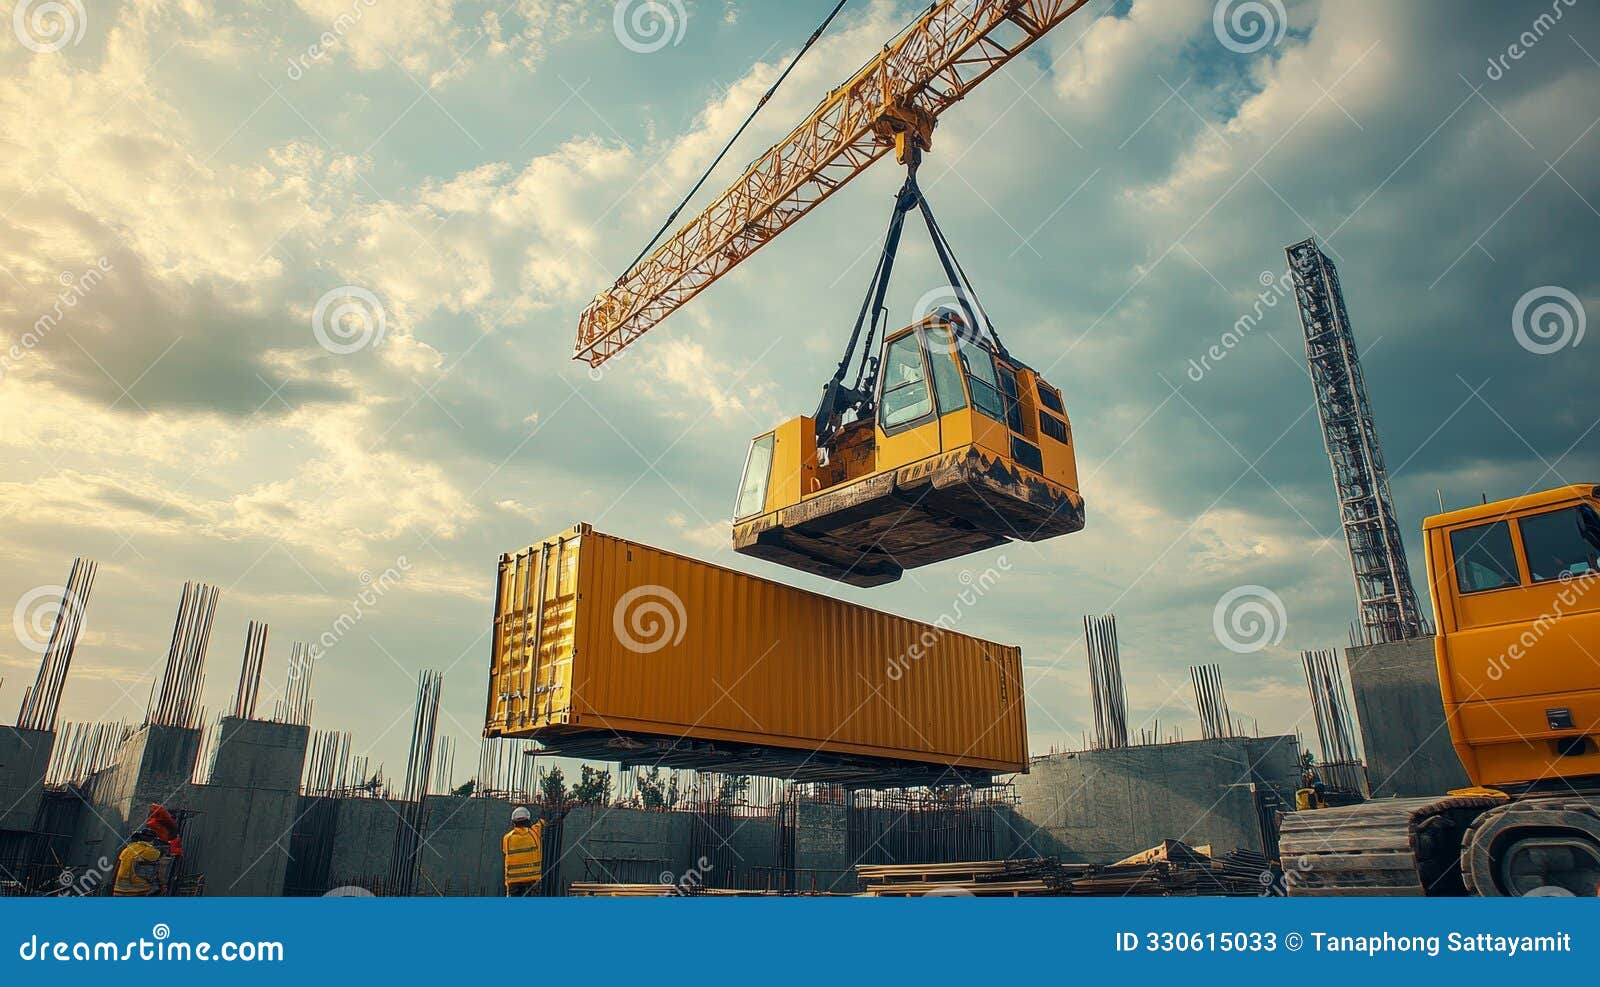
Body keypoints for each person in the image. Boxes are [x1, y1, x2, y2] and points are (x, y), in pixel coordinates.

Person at [112, 804, 183, 897]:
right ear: (152, 840)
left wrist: (113, 888)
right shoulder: (152, 851)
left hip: (118, 892)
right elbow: (161, 871)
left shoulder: (127, 850)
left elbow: (115, 872)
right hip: (137, 893)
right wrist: (163, 885)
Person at [503, 806, 546, 896]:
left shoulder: (507, 838)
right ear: (528, 821)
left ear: (514, 822)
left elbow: (505, 851)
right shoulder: (535, 833)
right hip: (532, 880)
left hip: (513, 882)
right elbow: (543, 822)